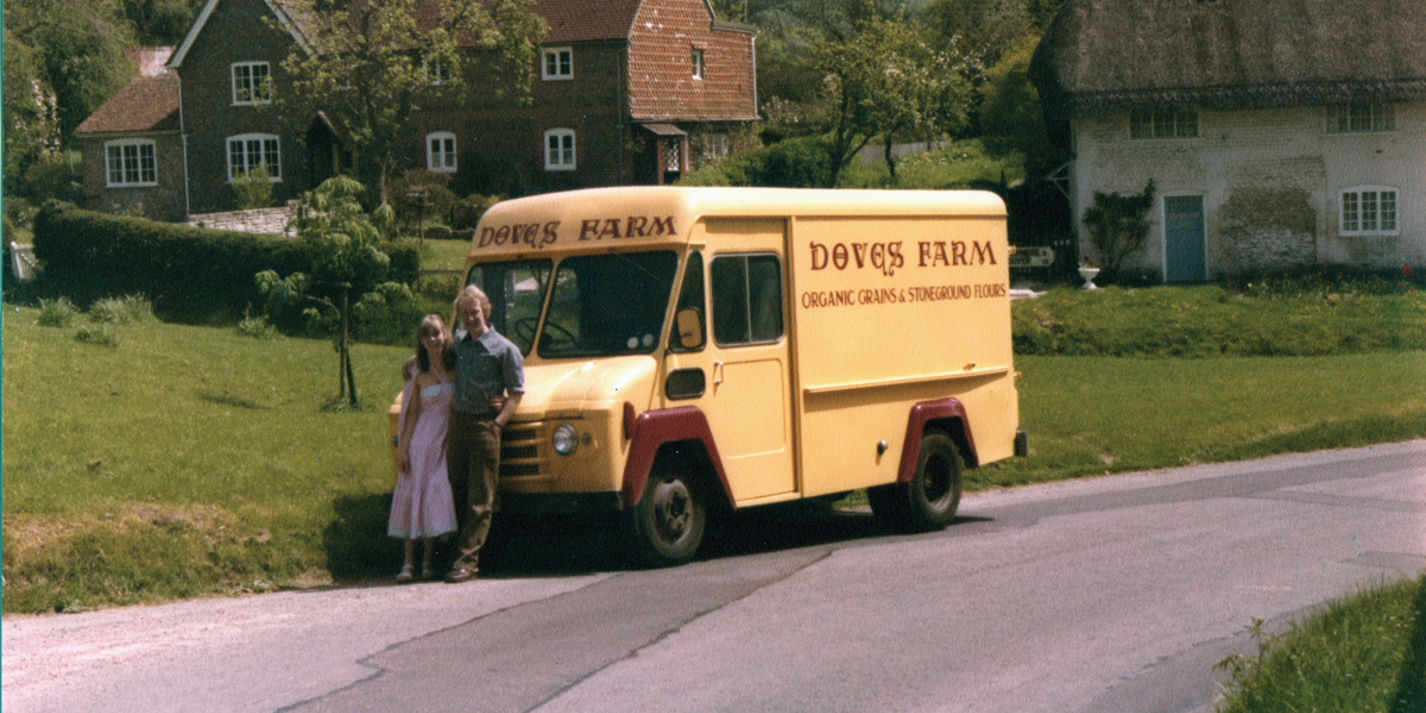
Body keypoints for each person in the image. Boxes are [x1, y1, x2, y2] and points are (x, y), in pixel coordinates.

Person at [443, 285, 524, 583]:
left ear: (485, 311)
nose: (469, 318)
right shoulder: (460, 344)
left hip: (484, 427)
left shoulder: (505, 349)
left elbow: (516, 394)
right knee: (457, 491)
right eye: (464, 314)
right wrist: (413, 364)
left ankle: (468, 563)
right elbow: (437, 359)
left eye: (474, 312)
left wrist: (498, 423)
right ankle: (456, 554)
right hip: (459, 423)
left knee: (480, 497)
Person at [389, 314, 460, 583]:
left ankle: (429, 560)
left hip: (446, 439)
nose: (434, 340)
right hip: (422, 440)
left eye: (438, 333)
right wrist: (403, 450)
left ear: (445, 334)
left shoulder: (455, 366)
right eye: (428, 335)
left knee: (434, 496)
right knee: (414, 495)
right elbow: (411, 414)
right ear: (421, 340)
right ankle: (408, 562)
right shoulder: (417, 372)